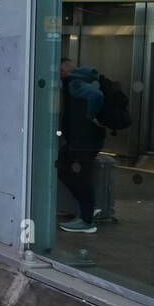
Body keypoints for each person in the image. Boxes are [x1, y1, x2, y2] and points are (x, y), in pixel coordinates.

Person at [58, 58, 106, 234]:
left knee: (78, 177)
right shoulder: (82, 80)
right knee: (64, 168)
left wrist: (90, 116)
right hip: (80, 141)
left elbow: (96, 96)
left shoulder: (74, 82)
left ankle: (87, 220)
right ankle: (87, 209)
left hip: (84, 141)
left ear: (64, 71)